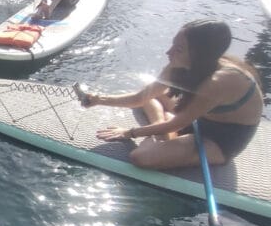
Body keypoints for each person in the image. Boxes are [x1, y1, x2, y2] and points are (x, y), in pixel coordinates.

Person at [82, 19, 263, 170]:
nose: (168, 52)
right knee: (151, 92)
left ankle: (161, 125)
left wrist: (129, 133)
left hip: (220, 138)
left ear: (199, 54)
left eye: (179, 49)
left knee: (141, 157)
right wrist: (99, 99)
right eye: (173, 45)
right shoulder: (181, 63)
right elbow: (141, 97)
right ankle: (161, 123)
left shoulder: (220, 81)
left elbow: (175, 124)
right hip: (197, 117)